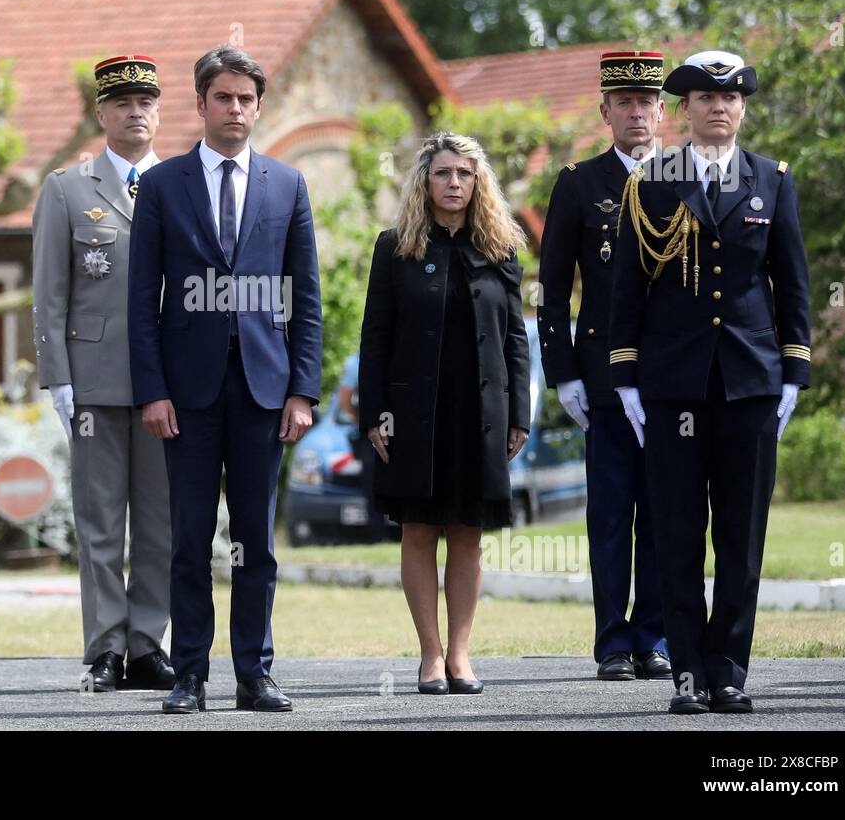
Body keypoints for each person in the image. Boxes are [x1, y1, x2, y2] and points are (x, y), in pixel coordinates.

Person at [608, 51, 810, 715]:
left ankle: (729, 671)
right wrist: (628, 377)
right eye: (702, 97)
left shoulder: (772, 181)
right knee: (676, 531)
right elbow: (627, 289)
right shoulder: (652, 182)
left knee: (741, 537)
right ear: (685, 110)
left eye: (730, 97)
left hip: (750, 379)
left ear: (744, 107)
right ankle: (688, 673)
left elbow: (791, 282)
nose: (718, 107)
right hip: (673, 383)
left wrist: (793, 369)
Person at [128, 44, 322, 714]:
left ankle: (254, 673)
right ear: (202, 103)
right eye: (223, 98)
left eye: (246, 98)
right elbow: (139, 299)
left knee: (256, 543)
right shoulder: (161, 186)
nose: (235, 109)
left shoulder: (288, 185)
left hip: (265, 392)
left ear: (259, 106)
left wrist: (302, 389)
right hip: (185, 393)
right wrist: (151, 389)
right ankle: (188, 675)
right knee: (188, 540)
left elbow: (308, 297)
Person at [359, 132, 530, 695]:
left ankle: (460, 656)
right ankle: (429, 656)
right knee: (418, 530)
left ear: (478, 182)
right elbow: (375, 338)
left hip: (480, 412)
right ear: (424, 182)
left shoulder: (502, 250)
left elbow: (515, 340)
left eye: (464, 173)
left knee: (468, 533)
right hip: (413, 413)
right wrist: (374, 414)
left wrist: (519, 414)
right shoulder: (395, 248)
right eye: (442, 173)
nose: (454, 182)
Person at [32, 55, 173, 692]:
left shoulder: (179, 185)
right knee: (98, 522)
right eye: (121, 103)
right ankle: (106, 647)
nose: (134, 112)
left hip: (166, 383)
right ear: (101, 113)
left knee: (160, 521)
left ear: (158, 111)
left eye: (145, 102)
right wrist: (57, 377)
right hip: (93, 377)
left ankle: (148, 644)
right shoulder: (67, 188)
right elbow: (49, 292)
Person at [537, 51, 672, 682]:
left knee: (667, 507)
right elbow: (553, 287)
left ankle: (655, 636)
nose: (637, 114)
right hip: (600, 376)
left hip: (673, 371)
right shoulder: (579, 184)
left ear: (662, 112)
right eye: (625, 103)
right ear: (606, 112)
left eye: (647, 103)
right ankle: (613, 641)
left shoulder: (688, 176)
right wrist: (561, 371)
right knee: (612, 510)